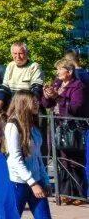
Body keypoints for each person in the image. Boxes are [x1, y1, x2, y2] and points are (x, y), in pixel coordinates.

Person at [41, 58, 88, 202]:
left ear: (69, 71)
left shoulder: (78, 86)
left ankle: (79, 194)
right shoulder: (57, 83)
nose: (57, 72)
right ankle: (65, 193)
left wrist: (58, 97)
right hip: (57, 125)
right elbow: (47, 104)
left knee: (73, 159)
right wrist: (47, 96)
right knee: (61, 159)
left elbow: (75, 107)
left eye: (60, 69)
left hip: (72, 128)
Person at [4, 91, 51, 219]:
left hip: (36, 179)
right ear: (24, 103)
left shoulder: (32, 124)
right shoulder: (13, 125)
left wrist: (45, 179)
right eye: (33, 102)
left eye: (37, 101)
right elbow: (15, 159)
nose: (37, 104)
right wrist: (32, 183)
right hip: (18, 182)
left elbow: (37, 155)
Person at [0, 43, 44, 110]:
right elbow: (4, 88)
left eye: (21, 53)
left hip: (29, 106)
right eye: (15, 53)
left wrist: (28, 110)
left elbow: (36, 90)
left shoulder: (34, 67)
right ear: (11, 54)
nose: (18, 56)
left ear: (26, 54)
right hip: (13, 105)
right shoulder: (10, 66)